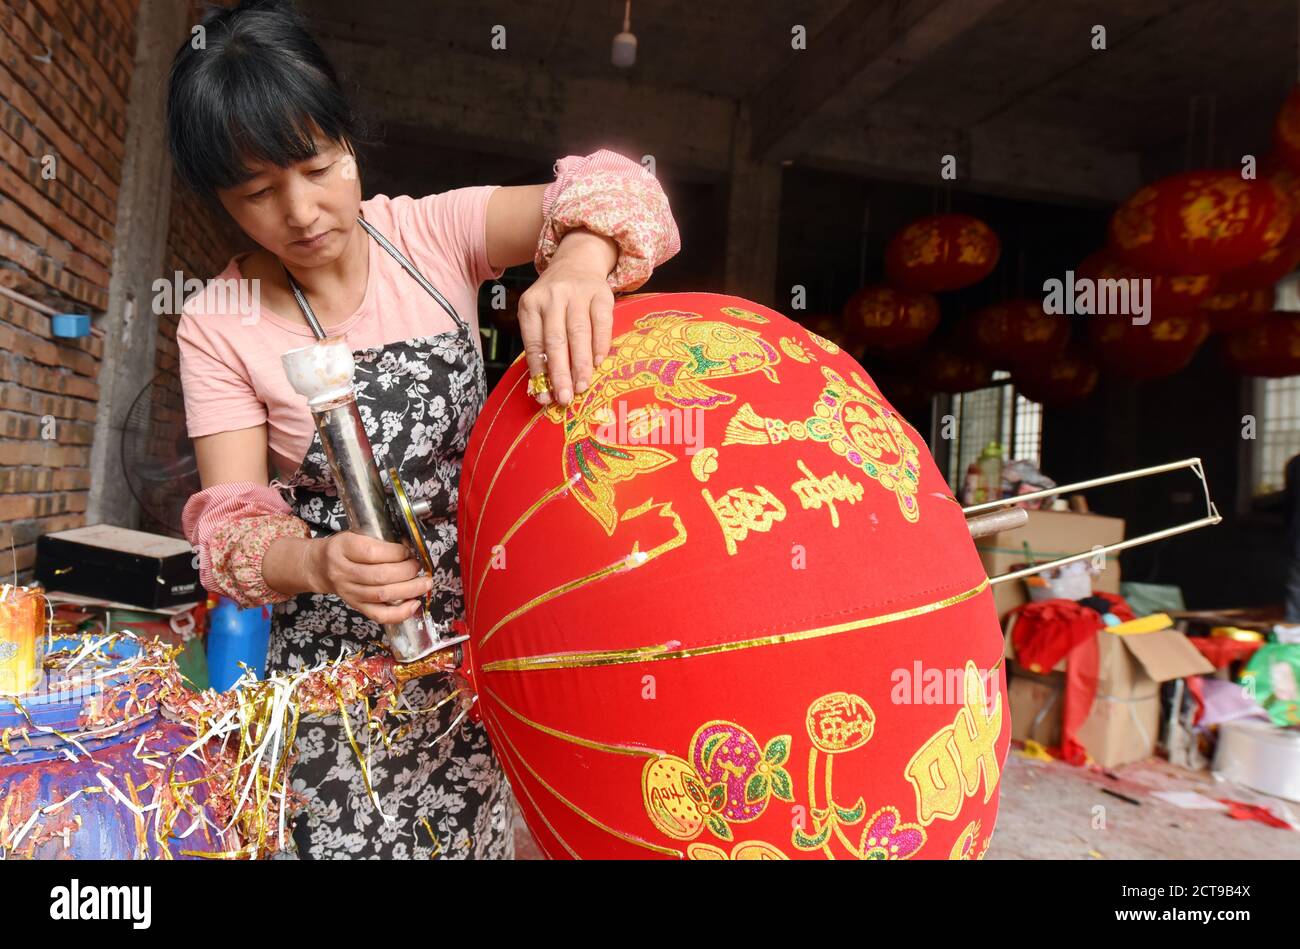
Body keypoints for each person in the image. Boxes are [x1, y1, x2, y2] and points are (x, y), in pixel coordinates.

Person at [171, 0, 680, 859]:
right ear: (222, 199)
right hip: (340, 678)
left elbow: (622, 183)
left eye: (316, 166)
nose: (299, 212)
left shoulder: (430, 234)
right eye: (258, 193)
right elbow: (229, 531)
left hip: (476, 655)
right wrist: (317, 561)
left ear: (349, 141)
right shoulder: (219, 320)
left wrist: (580, 259)